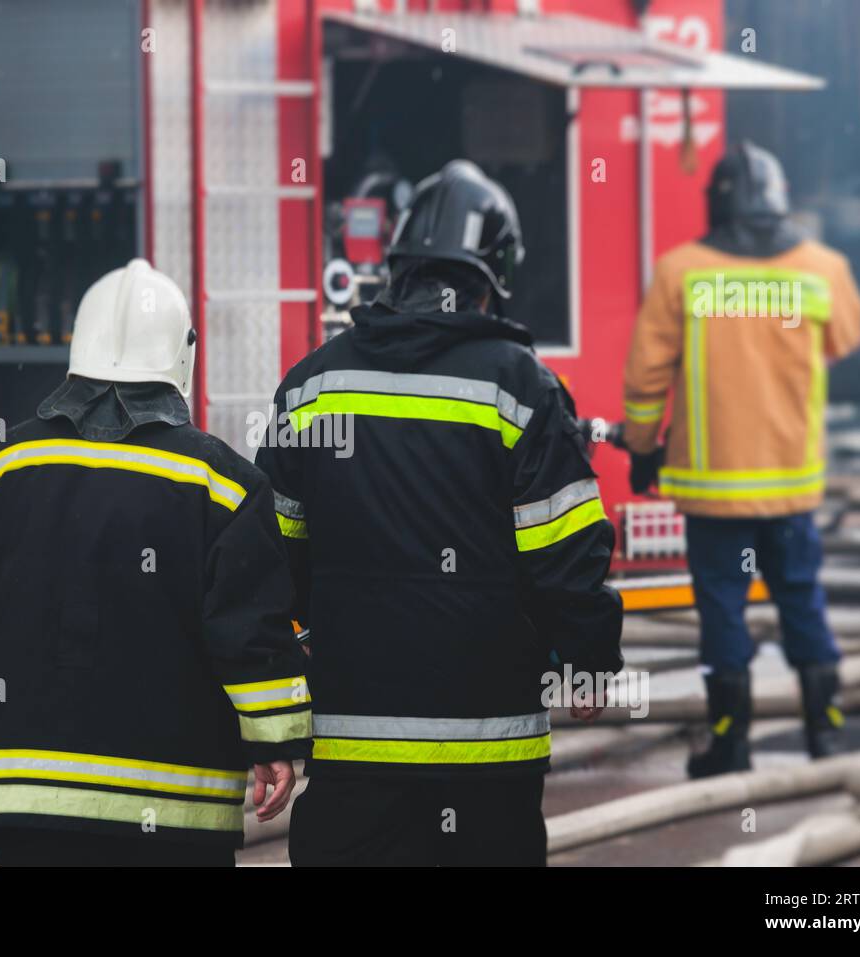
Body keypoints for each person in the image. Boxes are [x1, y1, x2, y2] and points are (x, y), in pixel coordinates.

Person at [256, 160, 623, 866]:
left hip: (350, 743)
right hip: (488, 746)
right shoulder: (524, 388)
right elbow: (566, 550)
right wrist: (587, 655)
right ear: (492, 275)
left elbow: (271, 560)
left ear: (399, 266)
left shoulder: (313, 385)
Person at [0, 259, 311, 866]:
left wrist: (0, 710)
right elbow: (248, 637)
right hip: (174, 818)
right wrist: (276, 742)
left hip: (24, 811)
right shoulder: (226, 487)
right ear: (183, 355)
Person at [622, 141, 860, 778]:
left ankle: (730, 747)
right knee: (803, 602)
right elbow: (844, 339)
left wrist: (642, 453)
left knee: (722, 613)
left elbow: (646, 381)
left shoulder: (681, 272)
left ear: (716, 203)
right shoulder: (824, 268)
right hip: (792, 487)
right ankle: (827, 737)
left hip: (715, 491)